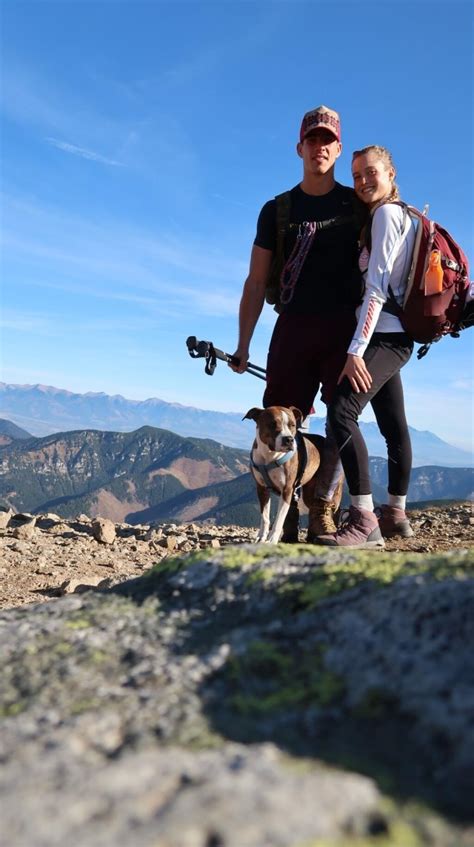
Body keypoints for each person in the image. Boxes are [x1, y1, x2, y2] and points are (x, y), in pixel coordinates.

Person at [230, 105, 364, 541]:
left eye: (328, 140)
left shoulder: (357, 205)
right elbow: (255, 280)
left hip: (344, 330)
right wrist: (243, 344)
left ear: (338, 149)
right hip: (292, 327)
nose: (319, 147)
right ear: (299, 147)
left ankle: (322, 508)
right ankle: (285, 520)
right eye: (312, 139)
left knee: (341, 420)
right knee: (280, 419)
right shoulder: (277, 210)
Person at [322, 144, 416, 548]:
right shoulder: (409, 216)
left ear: (390, 174)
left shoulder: (385, 215)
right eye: (356, 175)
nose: (362, 181)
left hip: (383, 335)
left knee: (341, 410)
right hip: (397, 334)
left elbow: (376, 289)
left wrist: (355, 351)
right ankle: (395, 514)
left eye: (370, 172)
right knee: (393, 424)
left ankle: (364, 520)